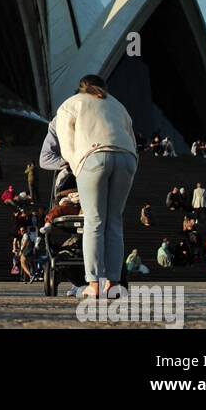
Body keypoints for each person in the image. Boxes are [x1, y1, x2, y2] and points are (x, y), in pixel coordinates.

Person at [54, 74, 137, 299]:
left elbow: (66, 144)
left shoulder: (70, 104)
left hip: (93, 157)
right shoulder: (118, 105)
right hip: (126, 158)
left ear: (80, 88)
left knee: (94, 220)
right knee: (114, 221)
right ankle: (114, 283)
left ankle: (95, 284)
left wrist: (77, 166)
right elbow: (131, 136)